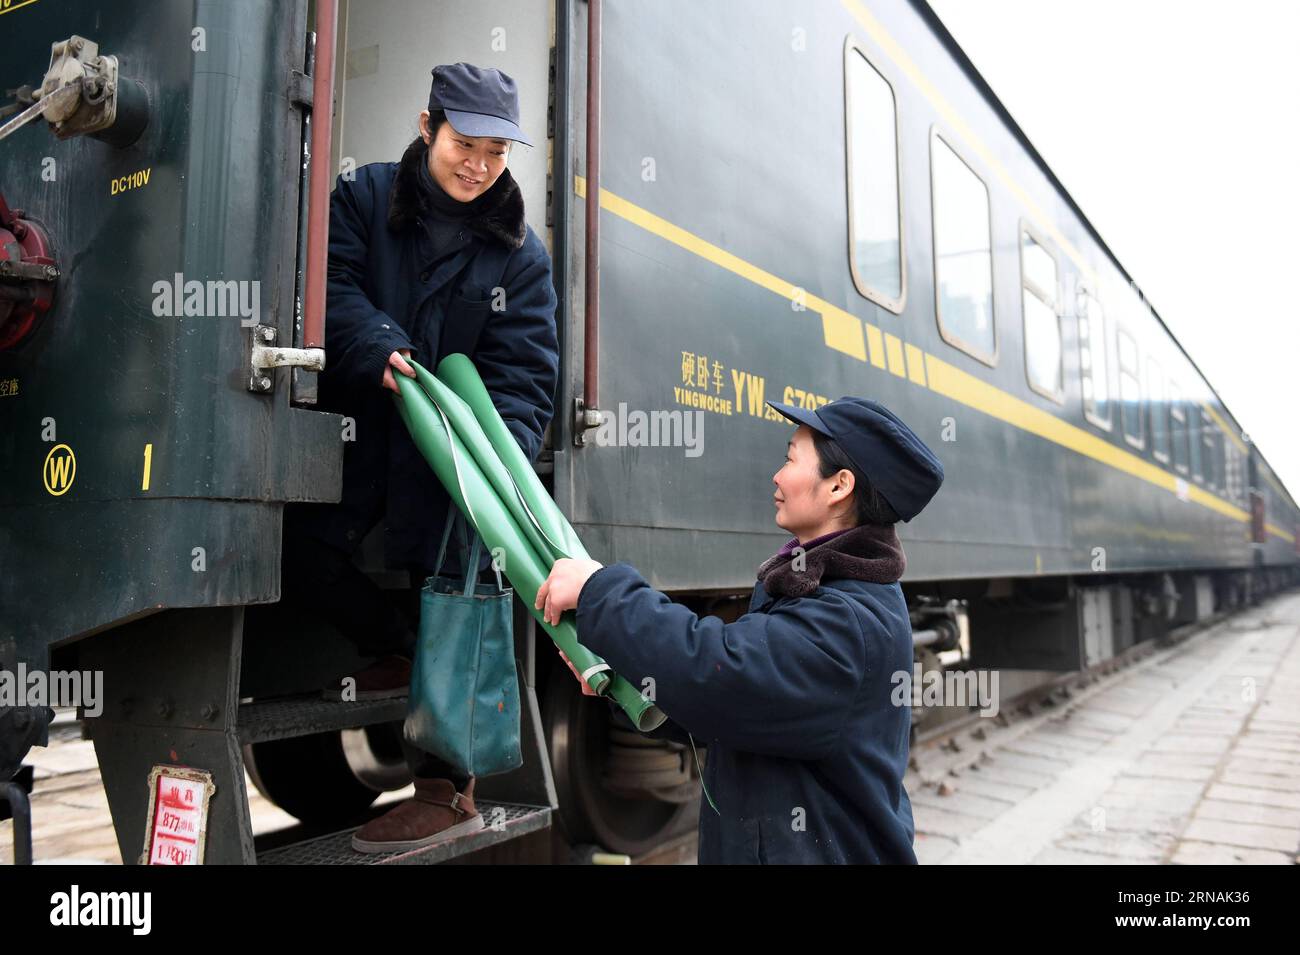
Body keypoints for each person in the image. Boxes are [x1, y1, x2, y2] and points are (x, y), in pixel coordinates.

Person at [280, 62, 559, 853]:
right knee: (301, 552)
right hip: (361, 431)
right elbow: (325, 287)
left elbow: (527, 374)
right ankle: (393, 646)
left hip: (450, 462)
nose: (479, 165)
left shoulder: (522, 257)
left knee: (458, 593)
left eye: (498, 153)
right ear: (426, 124)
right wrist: (382, 348)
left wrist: (488, 461)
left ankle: (447, 790)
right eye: (465, 143)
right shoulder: (364, 197)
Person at [536, 397, 944, 864]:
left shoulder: (846, 623)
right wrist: (624, 684)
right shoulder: (822, 592)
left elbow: (721, 669)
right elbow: (740, 710)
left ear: (838, 486)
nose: (777, 475)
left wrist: (600, 592)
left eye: (791, 458)